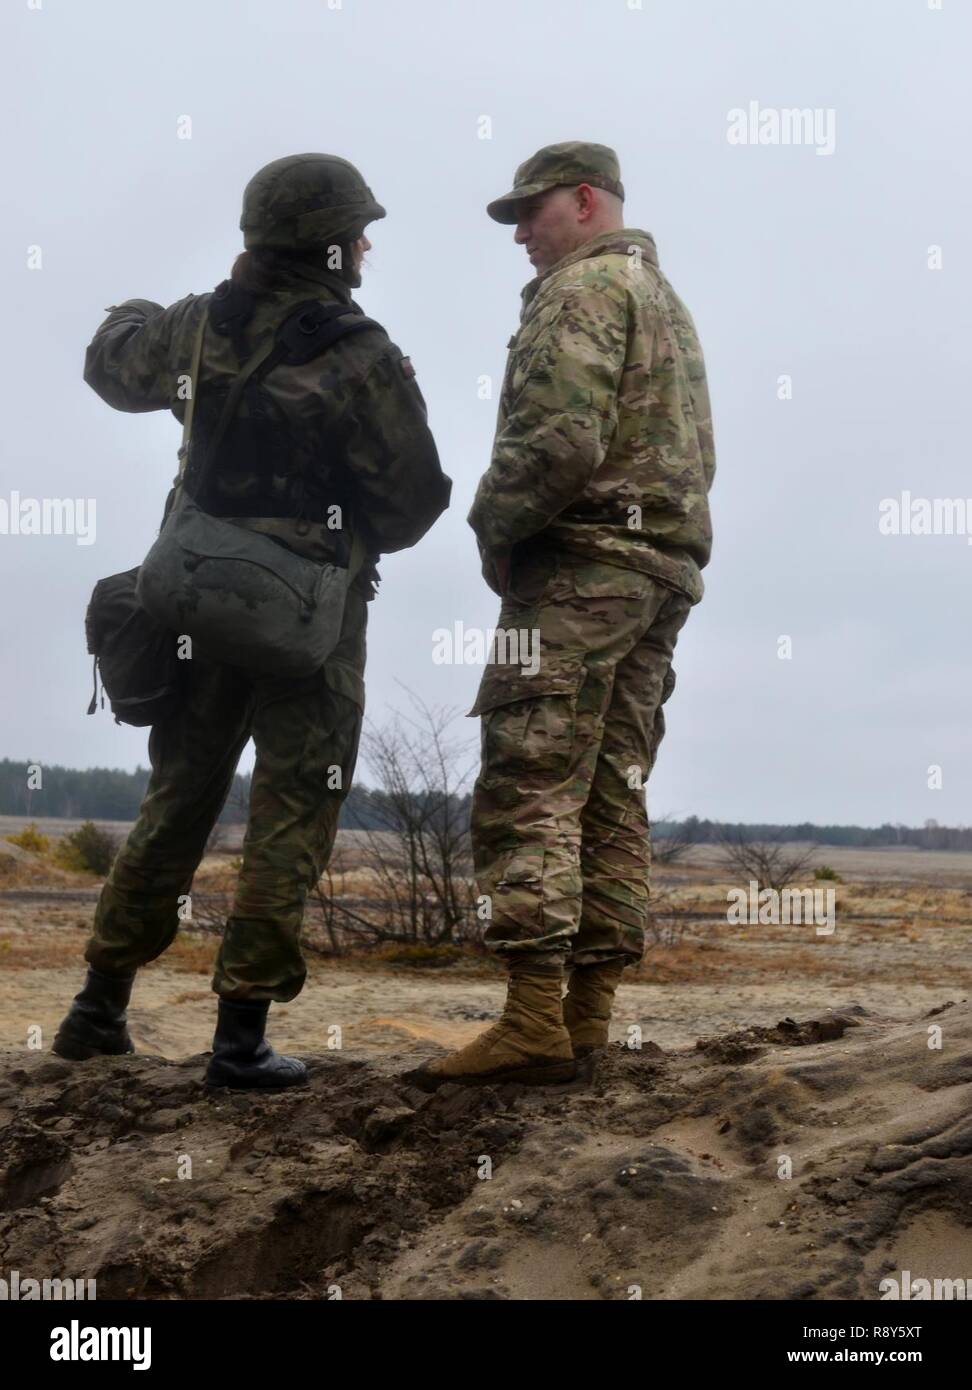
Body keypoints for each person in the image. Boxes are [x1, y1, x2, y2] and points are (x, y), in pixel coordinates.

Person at [54, 153, 451, 1088]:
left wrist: (124, 312)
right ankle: (240, 1043)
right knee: (291, 813)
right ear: (329, 245)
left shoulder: (197, 325)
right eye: (359, 231)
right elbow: (410, 506)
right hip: (308, 624)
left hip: (193, 599)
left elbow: (111, 368)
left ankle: (95, 1009)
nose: (365, 245)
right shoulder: (361, 355)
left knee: (178, 799)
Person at [410, 142, 714, 1090]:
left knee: (530, 778)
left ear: (585, 202)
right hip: (659, 573)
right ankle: (587, 1019)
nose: (522, 239)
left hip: (579, 572)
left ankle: (534, 1016)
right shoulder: (663, 300)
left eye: (531, 215)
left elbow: (562, 438)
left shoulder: (581, 293)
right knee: (611, 791)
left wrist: (493, 524)